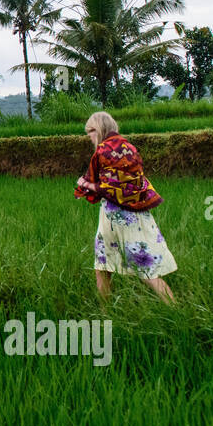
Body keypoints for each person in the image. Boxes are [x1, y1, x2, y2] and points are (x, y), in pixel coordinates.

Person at [74, 111, 176, 303]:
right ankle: (175, 308)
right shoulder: (130, 148)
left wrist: (84, 184)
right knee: (145, 268)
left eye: (90, 133)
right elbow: (133, 181)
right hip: (139, 213)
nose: (90, 138)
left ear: (98, 129)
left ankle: (106, 312)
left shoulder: (102, 152)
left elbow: (105, 187)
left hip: (115, 216)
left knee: (105, 264)